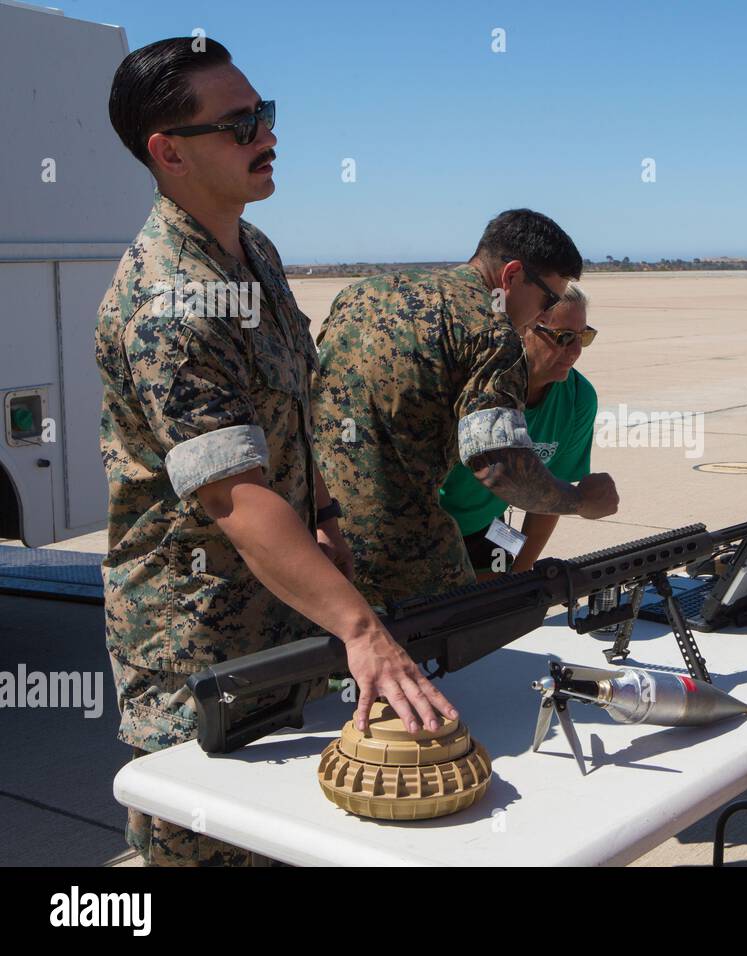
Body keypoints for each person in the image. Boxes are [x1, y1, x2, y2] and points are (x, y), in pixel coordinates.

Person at [97, 39, 454, 866]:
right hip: (197, 641)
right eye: (241, 123)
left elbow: (295, 416)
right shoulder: (170, 302)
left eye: (268, 114)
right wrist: (364, 632)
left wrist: (325, 513)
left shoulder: (254, 256)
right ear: (169, 151)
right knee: (208, 845)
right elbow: (232, 496)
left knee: (295, 842)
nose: (268, 134)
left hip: (286, 610)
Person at [312, 210, 619, 610]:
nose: (542, 311)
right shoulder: (491, 334)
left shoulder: (363, 293)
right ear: (510, 277)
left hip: (317, 532)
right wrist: (580, 501)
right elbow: (498, 467)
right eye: (548, 298)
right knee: (459, 636)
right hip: (403, 548)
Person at [440, 283, 600, 577]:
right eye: (563, 337)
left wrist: (521, 576)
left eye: (583, 337)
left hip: (485, 526)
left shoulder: (579, 398)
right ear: (521, 331)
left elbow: (549, 499)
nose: (576, 351)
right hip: (422, 528)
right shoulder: (476, 387)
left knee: (494, 612)